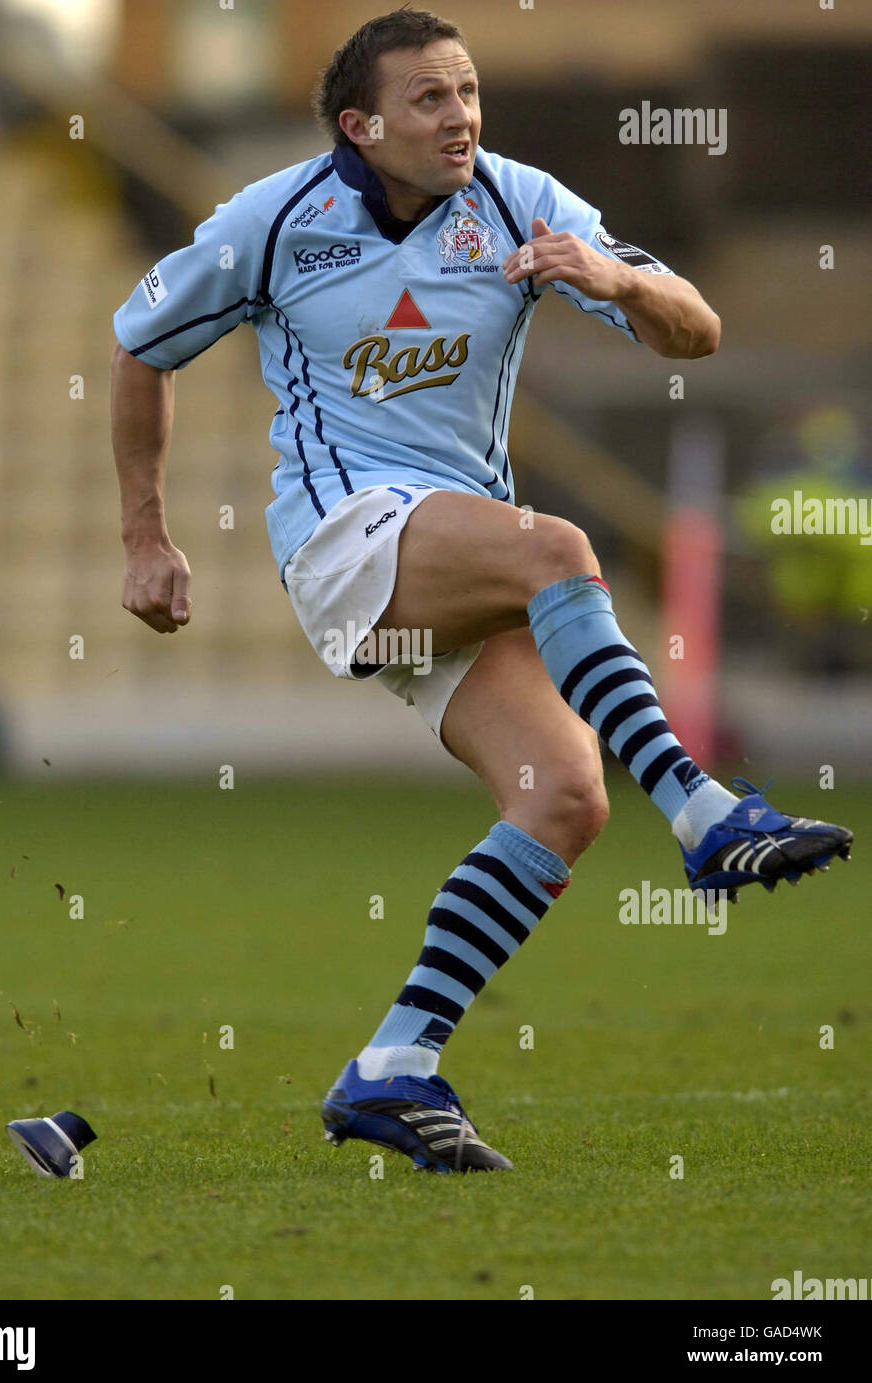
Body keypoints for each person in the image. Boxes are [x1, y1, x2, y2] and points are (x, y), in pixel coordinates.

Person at [110, 8, 852, 1173]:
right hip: (344, 543)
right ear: (361, 126)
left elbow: (695, 332)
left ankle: (392, 1068)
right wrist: (145, 535)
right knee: (556, 545)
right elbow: (141, 348)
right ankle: (706, 816)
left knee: (562, 799)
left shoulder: (517, 200)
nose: (459, 118)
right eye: (428, 100)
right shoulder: (272, 221)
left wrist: (606, 274)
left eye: (466, 93)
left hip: (453, 561)